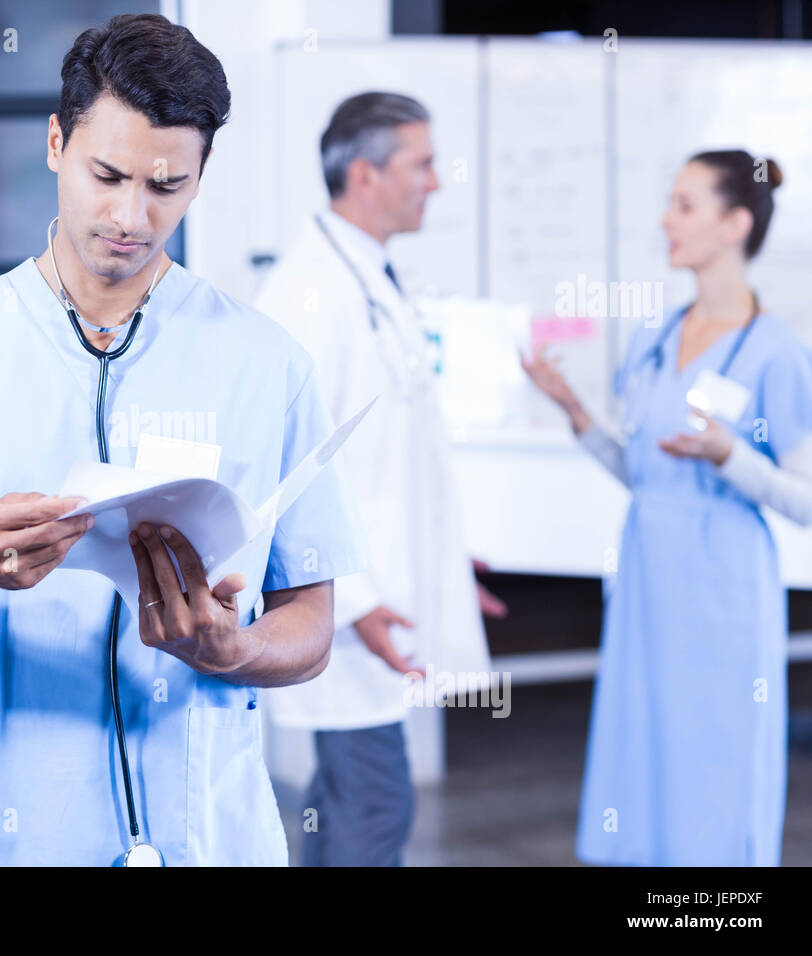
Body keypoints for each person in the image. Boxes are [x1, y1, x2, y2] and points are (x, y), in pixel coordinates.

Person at [0, 13, 365, 867]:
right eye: (105, 174)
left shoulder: (268, 366)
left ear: (200, 175)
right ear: (53, 143)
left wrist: (233, 648)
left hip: (203, 835)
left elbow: (312, 627)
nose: (131, 216)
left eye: (166, 186)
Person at [523, 150, 812, 865]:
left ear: (735, 223)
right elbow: (645, 473)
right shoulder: (652, 336)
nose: (666, 220)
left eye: (685, 205)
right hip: (648, 582)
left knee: (717, 761)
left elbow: (806, 503)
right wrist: (577, 414)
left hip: (725, 593)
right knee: (642, 748)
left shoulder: (778, 354)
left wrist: (730, 457)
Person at [257, 92, 505, 866]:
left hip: (372, 597)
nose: (436, 181)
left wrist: (446, 559)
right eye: (422, 164)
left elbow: (392, 457)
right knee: (375, 804)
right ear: (364, 174)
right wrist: (352, 603)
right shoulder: (309, 295)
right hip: (346, 606)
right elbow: (282, 464)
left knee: (346, 805)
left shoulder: (367, 277)